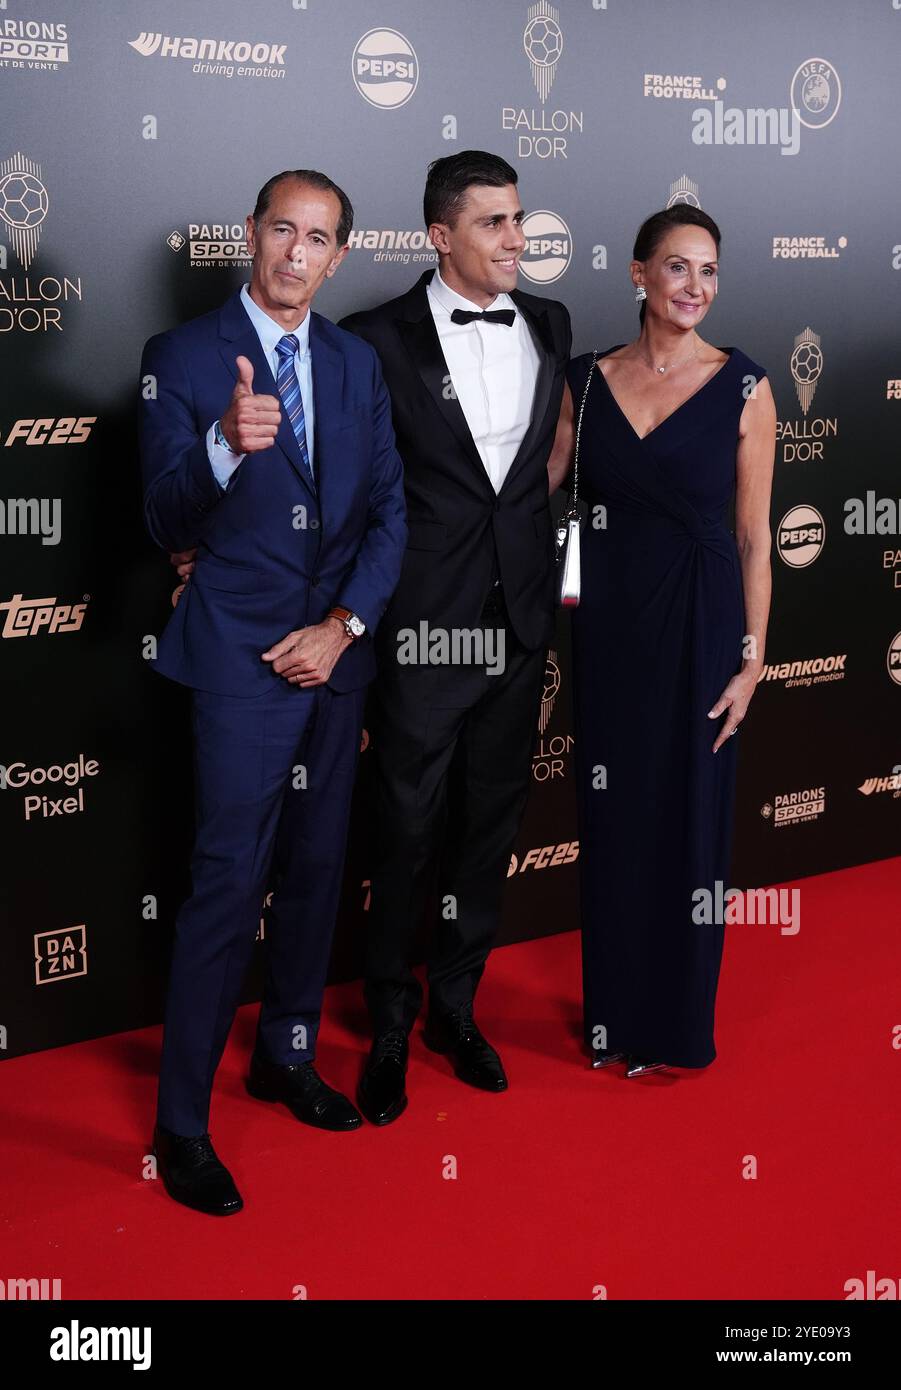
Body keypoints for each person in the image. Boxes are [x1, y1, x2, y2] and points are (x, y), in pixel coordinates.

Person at [139, 168, 407, 1213]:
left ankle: (286, 1057)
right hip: (239, 669)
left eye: (319, 238)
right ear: (251, 234)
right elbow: (163, 520)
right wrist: (220, 445)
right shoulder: (183, 357)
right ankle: (183, 1124)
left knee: (316, 869)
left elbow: (389, 514)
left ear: (340, 255)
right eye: (282, 230)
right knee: (224, 884)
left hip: (331, 664)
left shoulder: (351, 363)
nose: (297, 252)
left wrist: (340, 630)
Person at [338, 151, 572, 1124]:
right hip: (422, 630)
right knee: (402, 829)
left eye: (518, 219)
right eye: (493, 224)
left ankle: (455, 1009)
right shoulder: (372, 340)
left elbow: (547, 462)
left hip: (516, 623)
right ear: (440, 235)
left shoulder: (550, 324)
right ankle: (389, 1019)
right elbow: (348, 494)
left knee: (485, 824)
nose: (517, 239)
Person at [551, 205, 776, 1077]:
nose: (695, 287)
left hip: (702, 626)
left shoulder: (746, 387)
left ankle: (673, 1027)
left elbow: (756, 538)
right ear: (638, 273)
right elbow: (538, 499)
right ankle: (611, 1022)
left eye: (709, 271)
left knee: (685, 822)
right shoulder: (585, 381)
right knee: (615, 819)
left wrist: (752, 662)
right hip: (607, 629)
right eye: (677, 268)